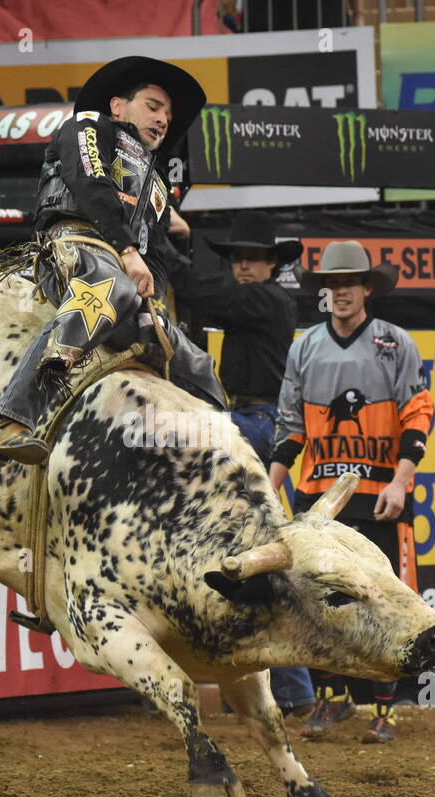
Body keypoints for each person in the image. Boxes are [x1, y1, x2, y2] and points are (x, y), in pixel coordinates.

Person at [0, 56, 227, 467]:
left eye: (168, 114)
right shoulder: (88, 127)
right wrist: (129, 253)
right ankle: (11, 421)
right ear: (118, 106)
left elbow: (157, 256)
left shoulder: (159, 183)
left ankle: (218, 460)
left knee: (198, 364)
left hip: (128, 278)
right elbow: (90, 182)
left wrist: (155, 308)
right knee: (109, 288)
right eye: (153, 106)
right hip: (73, 244)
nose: (164, 119)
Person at [269, 240, 433, 743]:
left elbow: (418, 415)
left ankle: (386, 709)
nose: (340, 293)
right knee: (316, 601)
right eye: (332, 285)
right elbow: (290, 425)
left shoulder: (395, 343)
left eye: (349, 284)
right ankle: (331, 698)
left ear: (367, 288)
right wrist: (269, 484)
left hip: (378, 494)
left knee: (385, 599)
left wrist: (401, 481)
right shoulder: (305, 346)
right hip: (318, 500)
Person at [166, 210, 313, 716]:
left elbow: (200, 294)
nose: (245, 266)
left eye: (254, 259)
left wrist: (172, 248)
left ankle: (289, 691)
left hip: (254, 423)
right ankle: (286, 691)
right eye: (239, 259)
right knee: (261, 557)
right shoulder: (261, 300)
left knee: (260, 553)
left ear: (273, 264)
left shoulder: (267, 300)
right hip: (247, 421)